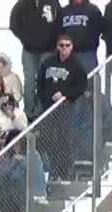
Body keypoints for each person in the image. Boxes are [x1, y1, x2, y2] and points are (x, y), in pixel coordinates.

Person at [36, 34, 88, 182]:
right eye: (61, 45)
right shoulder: (47, 62)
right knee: (47, 140)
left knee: (64, 140)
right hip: (48, 108)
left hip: (67, 108)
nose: (64, 48)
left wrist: (65, 95)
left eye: (67, 45)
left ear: (72, 47)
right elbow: (39, 84)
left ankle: (65, 172)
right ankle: (52, 171)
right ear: (57, 47)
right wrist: (47, 98)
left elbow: (81, 86)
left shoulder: (77, 65)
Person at [10, 0, 62, 112]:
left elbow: (60, 23)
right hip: (29, 50)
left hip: (48, 50)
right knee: (29, 82)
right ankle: (28, 112)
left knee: (45, 81)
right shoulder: (22, 4)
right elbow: (13, 25)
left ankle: (40, 112)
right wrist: (26, 39)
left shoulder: (53, 2)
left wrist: (53, 41)